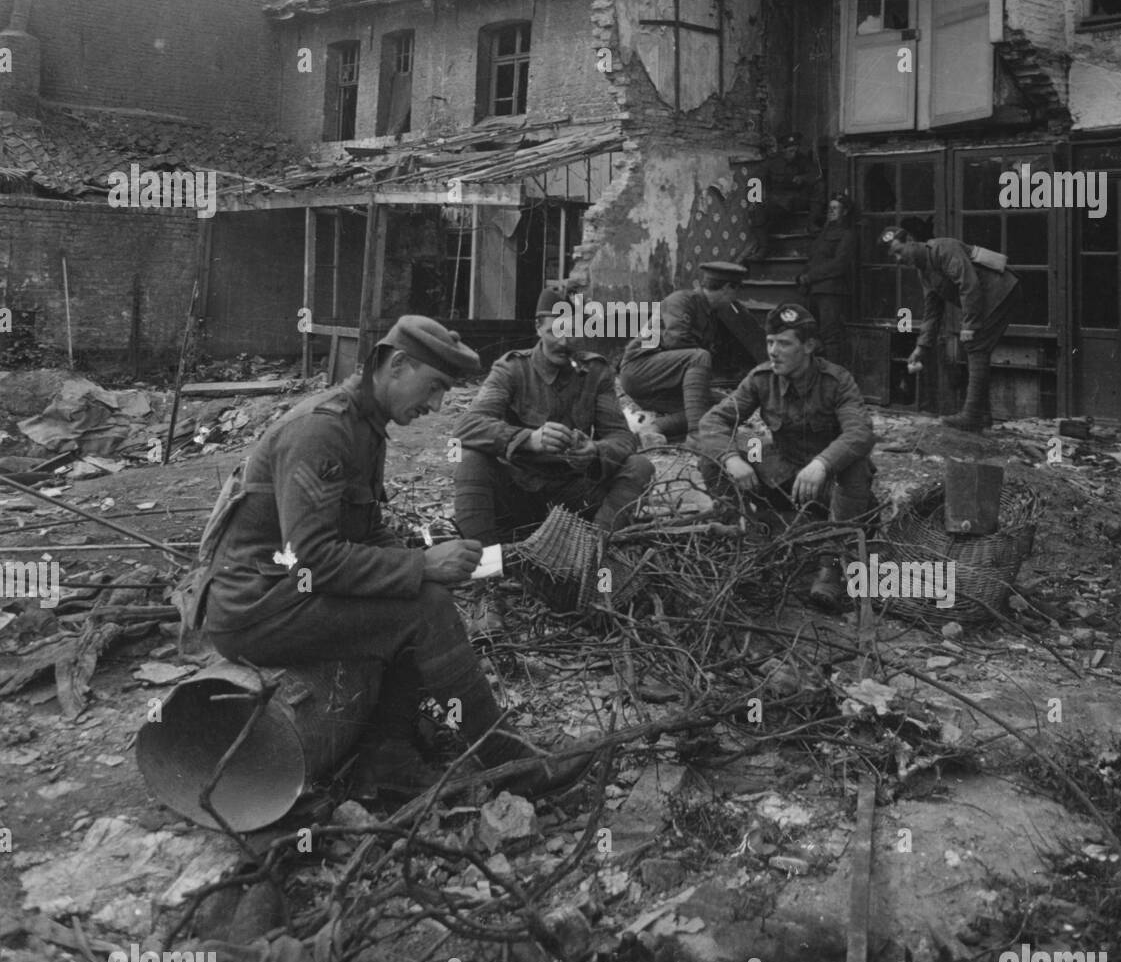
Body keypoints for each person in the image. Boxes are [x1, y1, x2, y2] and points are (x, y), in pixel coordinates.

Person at [199, 315, 587, 799]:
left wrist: (424, 558)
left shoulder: (366, 425)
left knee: (422, 591)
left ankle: (387, 758)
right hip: (255, 608)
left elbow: (363, 531)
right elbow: (311, 560)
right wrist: (421, 566)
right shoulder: (322, 431)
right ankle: (509, 761)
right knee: (425, 607)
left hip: (282, 596)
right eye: (435, 387)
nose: (437, 404)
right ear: (398, 365)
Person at [697, 302, 876, 608]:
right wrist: (731, 458)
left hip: (827, 486)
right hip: (784, 473)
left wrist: (822, 463)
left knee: (856, 466)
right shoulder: (761, 379)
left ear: (809, 346)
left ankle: (829, 568)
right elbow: (713, 420)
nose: (773, 351)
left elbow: (860, 432)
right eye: (769, 342)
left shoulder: (837, 381)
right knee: (713, 459)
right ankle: (751, 545)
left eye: (784, 343)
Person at [453, 288, 655, 545]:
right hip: (519, 492)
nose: (564, 342)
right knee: (469, 458)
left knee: (640, 466)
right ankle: (486, 566)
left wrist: (594, 451)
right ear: (538, 327)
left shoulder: (596, 371)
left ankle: (591, 551)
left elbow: (623, 438)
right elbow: (466, 427)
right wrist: (529, 439)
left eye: (572, 332)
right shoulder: (512, 368)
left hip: (576, 494)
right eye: (555, 332)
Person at [881, 227, 1021, 432]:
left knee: (976, 346)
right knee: (977, 348)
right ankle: (981, 416)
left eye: (899, 251)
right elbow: (932, 314)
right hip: (986, 298)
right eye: (894, 256)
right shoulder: (925, 273)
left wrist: (969, 324)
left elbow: (969, 284)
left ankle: (973, 416)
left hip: (1001, 291)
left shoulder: (943, 249)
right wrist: (921, 347)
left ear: (910, 241)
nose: (898, 259)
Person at [618, 261, 747, 446]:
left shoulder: (710, 314)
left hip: (666, 381)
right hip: (640, 370)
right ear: (727, 288)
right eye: (736, 291)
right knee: (699, 356)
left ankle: (654, 430)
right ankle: (696, 436)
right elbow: (675, 341)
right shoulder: (682, 300)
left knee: (726, 406)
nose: (736, 298)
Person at [742, 131, 827, 262]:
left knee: (819, 186)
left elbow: (816, 175)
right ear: (783, 150)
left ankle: (812, 223)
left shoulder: (802, 160)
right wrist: (754, 200)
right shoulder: (772, 162)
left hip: (799, 200)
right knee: (757, 211)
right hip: (778, 202)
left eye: (795, 150)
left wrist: (803, 178)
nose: (793, 154)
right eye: (790, 151)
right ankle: (763, 248)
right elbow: (754, 180)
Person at [797, 193, 856, 363]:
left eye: (835, 208)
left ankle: (833, 378)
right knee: (808, 335)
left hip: (831, 291)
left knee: (830, 337)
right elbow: (814, 259)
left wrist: (810, 277)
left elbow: (839, 264)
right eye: (829, 208)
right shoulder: (824, 234)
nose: (831, 211)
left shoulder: (848, 235)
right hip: (813, 291)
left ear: (845, 212)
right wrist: (801, 276)